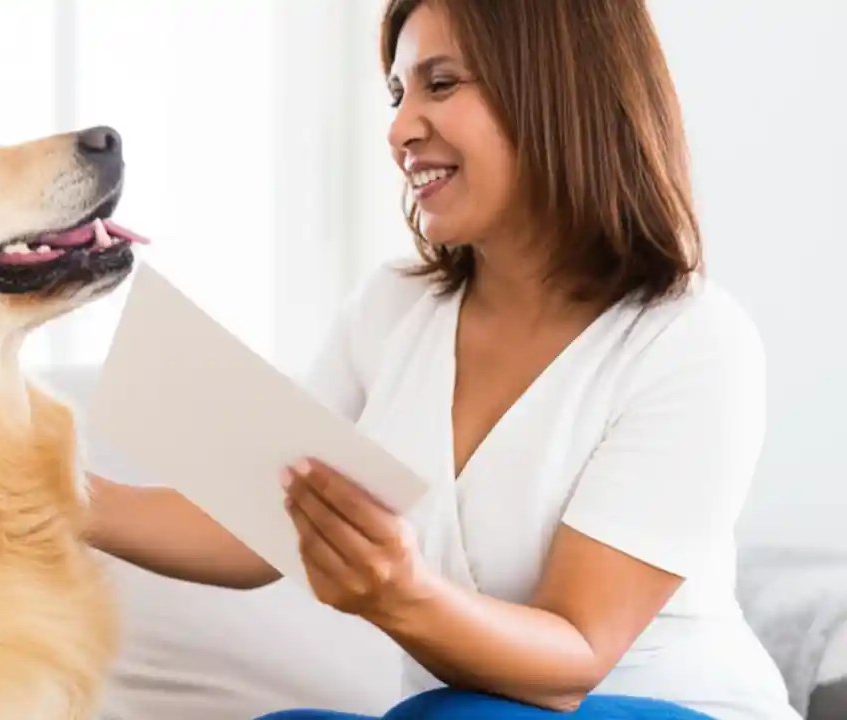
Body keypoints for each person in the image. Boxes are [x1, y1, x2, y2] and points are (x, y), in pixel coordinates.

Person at [85, 1, 799, 718]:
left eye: (443, 83)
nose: (398, 131)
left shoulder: (690, 341)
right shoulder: (392, 310)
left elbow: (574, 659)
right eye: (398, 94)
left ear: (555, 90)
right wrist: (45, 492)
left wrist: (401, 595)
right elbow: (253, 522)